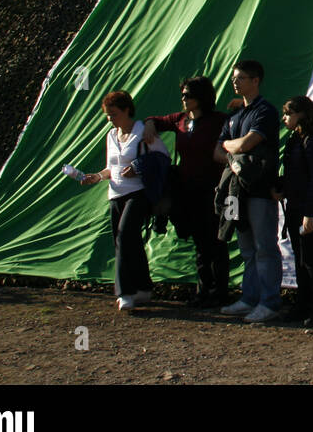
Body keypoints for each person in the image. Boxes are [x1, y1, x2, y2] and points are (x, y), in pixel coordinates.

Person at [142, 76, 230, 308]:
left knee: (217, 241)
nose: (184, 98)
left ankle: (219, 292)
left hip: (214, 189)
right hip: (188, 190)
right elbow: (155, 119)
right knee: (200, 243)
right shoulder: (181, 120)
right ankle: (203, 291)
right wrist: (150, 123)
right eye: (182, 94)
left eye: (188, 95)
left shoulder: (218, 120)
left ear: (201, 97)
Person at [81, 91, 169, 311]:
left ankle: (125, 292)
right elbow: (112, 168)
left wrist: (139, 167)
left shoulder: (142, 131)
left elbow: (163, 157)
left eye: (114, 113)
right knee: (129, 240)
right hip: (115, 194)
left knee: (125, 234)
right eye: (107, 115)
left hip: (138, 192)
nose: (110, 118)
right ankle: (143, 288)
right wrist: (98, 176)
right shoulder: (111, 135)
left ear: (127, 110)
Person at [215, 59, 281, 323]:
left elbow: (247, 143)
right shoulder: (234, 115)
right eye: (235, 78)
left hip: (260, 190)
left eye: (241, 78)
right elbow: (217, 152)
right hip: (235, 190)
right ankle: (249, 298)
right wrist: (234, 150)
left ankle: (270, 303)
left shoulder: (265, 111)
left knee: (264, 246)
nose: (235, 82)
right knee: (246, 248)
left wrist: (232, 147)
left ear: (255, 81)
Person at [277, 95, 313, 328]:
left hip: (309, 209)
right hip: (295, 206)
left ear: (301, 114)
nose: (285, 118)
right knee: (301, 258)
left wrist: (309, 214)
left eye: (289, 113)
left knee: (311, 258)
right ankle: (303, 303)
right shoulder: (295, 140)